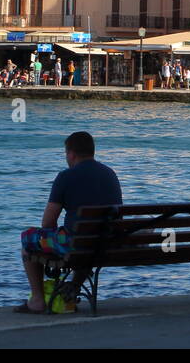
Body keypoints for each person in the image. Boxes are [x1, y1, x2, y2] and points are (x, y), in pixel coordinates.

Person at [17, 132, 122, 314]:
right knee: (85, 241)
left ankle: (37, 300)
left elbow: (48, 222)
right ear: (92, 152)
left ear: (71, 154)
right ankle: (73, 286)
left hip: (77, 245)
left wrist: (52, 239)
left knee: (28, 239)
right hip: (107, 244)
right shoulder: (110, 174)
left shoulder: (66, 176)